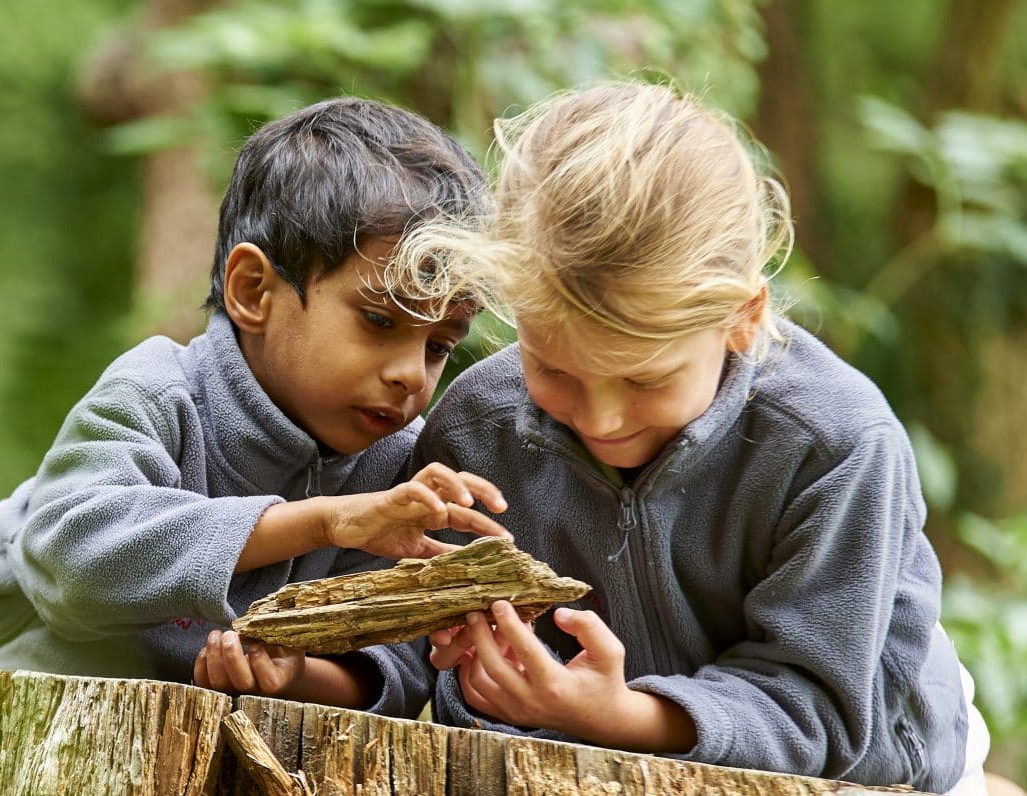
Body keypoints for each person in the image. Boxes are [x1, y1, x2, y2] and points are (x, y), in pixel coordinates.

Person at [405, 82, 979, 792]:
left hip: (869, 765)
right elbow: (431, 652)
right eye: (553, 369)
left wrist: (631, 717)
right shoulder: (475, 431)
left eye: (645, 381)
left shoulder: (833, 444)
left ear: (743, 317)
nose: (601, 419)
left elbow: (822, 712)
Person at [0, 97, 506, 717]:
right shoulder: (159, 392)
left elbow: (400, 667)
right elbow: (73, 561)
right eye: (378, 321)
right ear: (253, 292)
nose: (409, 375)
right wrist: (321, 521)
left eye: (437, 347)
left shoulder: (395, 466)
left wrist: (292, 673)